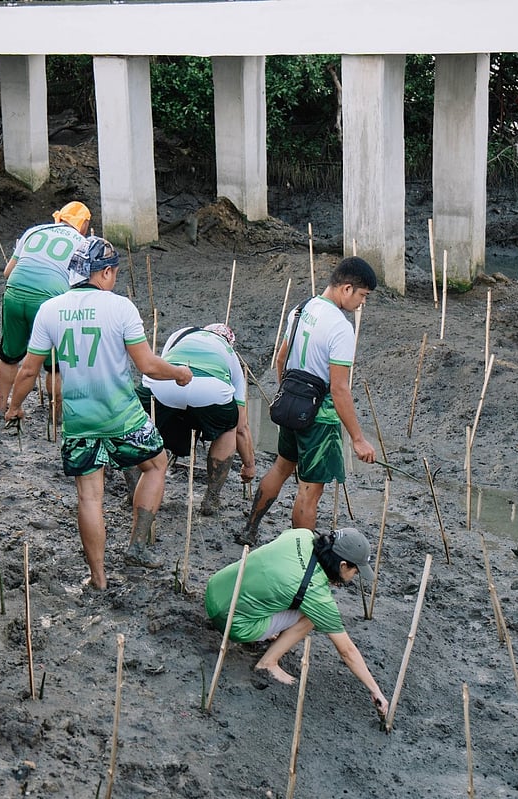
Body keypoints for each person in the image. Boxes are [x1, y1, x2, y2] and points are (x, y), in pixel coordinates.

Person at [4, 236, 193, 590]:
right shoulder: (120, 308)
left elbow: (29, 370)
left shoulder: (51, 309)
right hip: (123, 417)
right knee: (156, 465)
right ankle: (137, 545)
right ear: (104, 272)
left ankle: (99, 578)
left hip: (79, 421)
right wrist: (181, 373)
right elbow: (148, 366)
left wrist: (14, 407)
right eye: (114, 273)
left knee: (89, 498)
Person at [238, 257, 378, 546]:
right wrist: (358, 438)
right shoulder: (341, 327)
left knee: (280, 468)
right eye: (363, 296)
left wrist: (290, 397)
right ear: (347, 288)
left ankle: (249, 530)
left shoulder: (301, 309)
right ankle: (299, 554)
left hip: (292, 408)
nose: (362, 303)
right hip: (320, 420)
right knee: (310, 490)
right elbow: (339, 390)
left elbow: (281, 359)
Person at [205, 526, 388, 716]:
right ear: (343, 565)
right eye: (356, 572)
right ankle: (268, 662)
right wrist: (375, 690)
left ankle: (265, 625)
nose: (353, 578)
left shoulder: (301, 534)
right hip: (232, 623)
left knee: (292, 592)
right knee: (311, 616)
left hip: (215, 591)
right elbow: (347, 651)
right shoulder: (317, 594)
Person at [138, 323, 255, 515]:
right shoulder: (230, 354)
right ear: (229, 342)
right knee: (229, 426)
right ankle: (212, 498)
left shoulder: (180, 333)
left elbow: (160, 365)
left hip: (165, 384)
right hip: (211, 389)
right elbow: (241, 426)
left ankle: (135, 490)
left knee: (139, 422)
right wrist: (248, 465)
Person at [0, 201, 92, 419]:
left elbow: (8, 272)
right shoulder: (84, 245)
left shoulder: (34, 231)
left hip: (14, 294)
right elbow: (80, 288)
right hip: (50, 301)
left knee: (9, 356)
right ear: (84, 224)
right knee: (55, 365)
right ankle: (56, 416)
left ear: (59, 217)